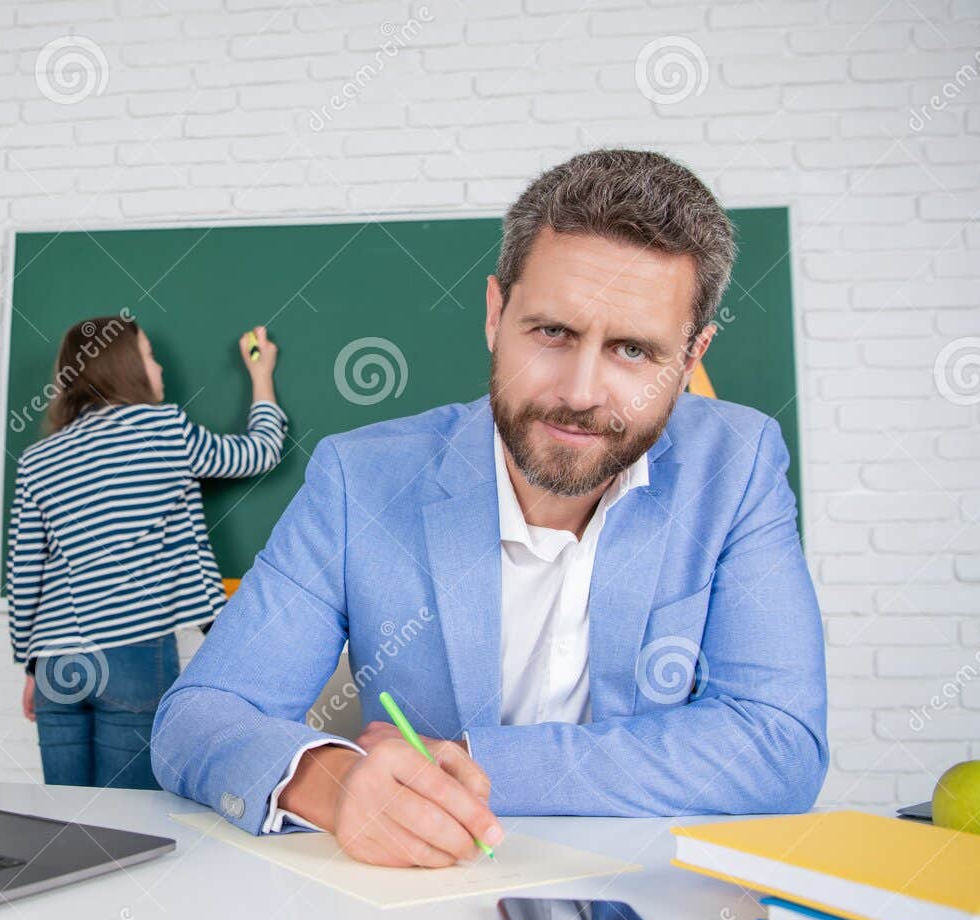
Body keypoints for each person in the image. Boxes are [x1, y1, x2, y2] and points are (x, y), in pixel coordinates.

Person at [151, 149, 828, 866]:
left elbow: (778, 744)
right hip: (419, 899)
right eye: (552, 333)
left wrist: (468, 763)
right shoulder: (362, 479)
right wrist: (339, 781)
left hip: (655, 901)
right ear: (495, 314)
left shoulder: (739, 464)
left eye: (633, 350)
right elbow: (197, 719)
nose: (579, 392)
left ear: (690, 359)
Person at [8, 315, 287, 789]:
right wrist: (261, 375)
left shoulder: (38, 458)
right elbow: (261, 451)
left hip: (56, 660)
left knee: (66, 820)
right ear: (124, 368)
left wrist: (31, 662)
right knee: (132, 824)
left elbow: (25, 573)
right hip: (129, 651)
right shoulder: (162, 430)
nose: (159, 368)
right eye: (150, 356)